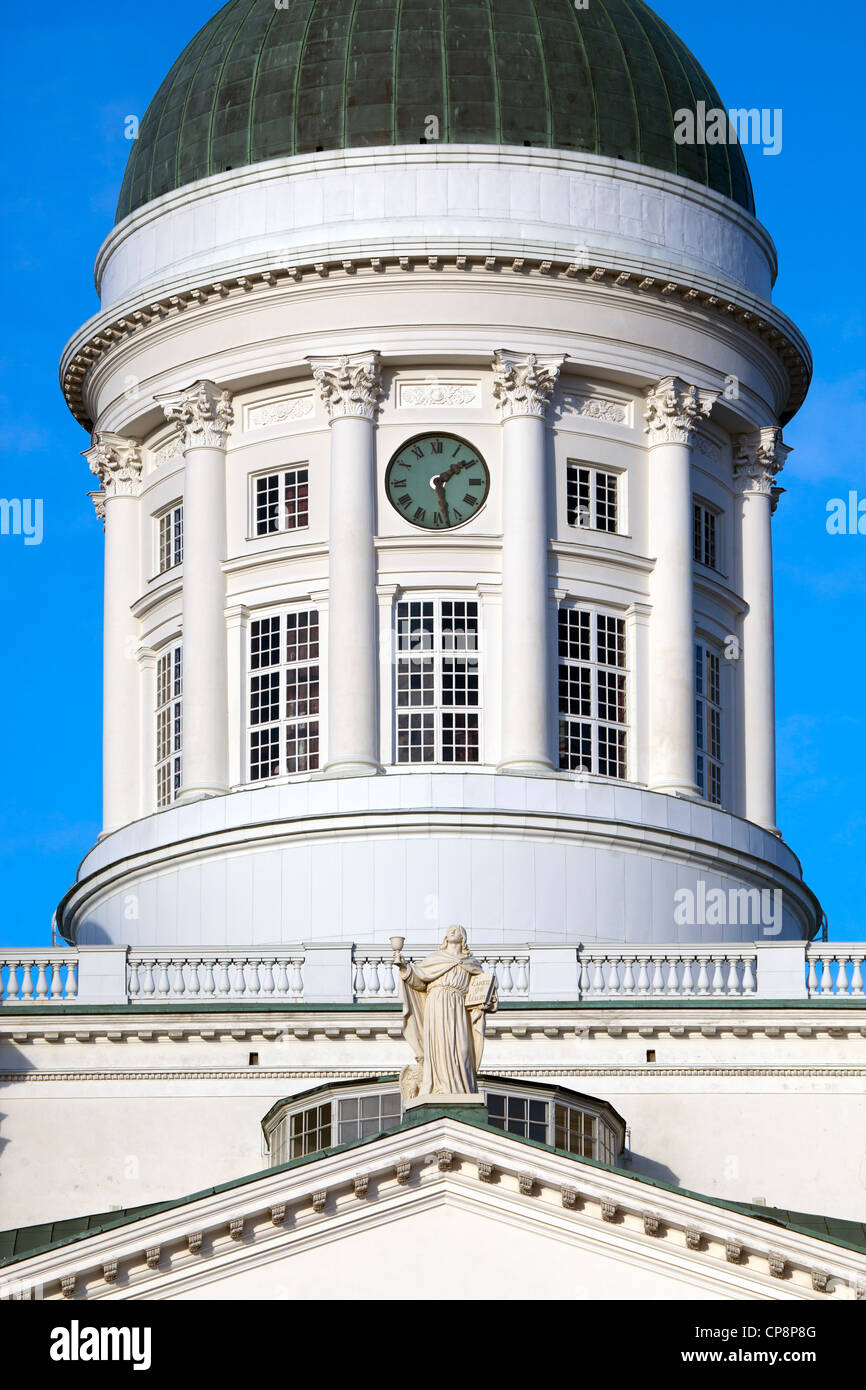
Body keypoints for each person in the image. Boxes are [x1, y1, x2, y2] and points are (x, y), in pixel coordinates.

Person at [394, 925, 496, 1098]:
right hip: (437, 1003)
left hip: (458, 1006)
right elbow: (419, 981)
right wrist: (405, 968)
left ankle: (461, 1087)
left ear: (463, 938)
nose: (453, 930)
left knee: (462, 1049)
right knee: (439, 1044)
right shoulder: (435, 958)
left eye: (457, 929)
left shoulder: (472, 964)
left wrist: (486, 1004)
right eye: (450, 929)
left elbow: (484, 992)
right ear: (445, 938)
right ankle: (438, 1086)